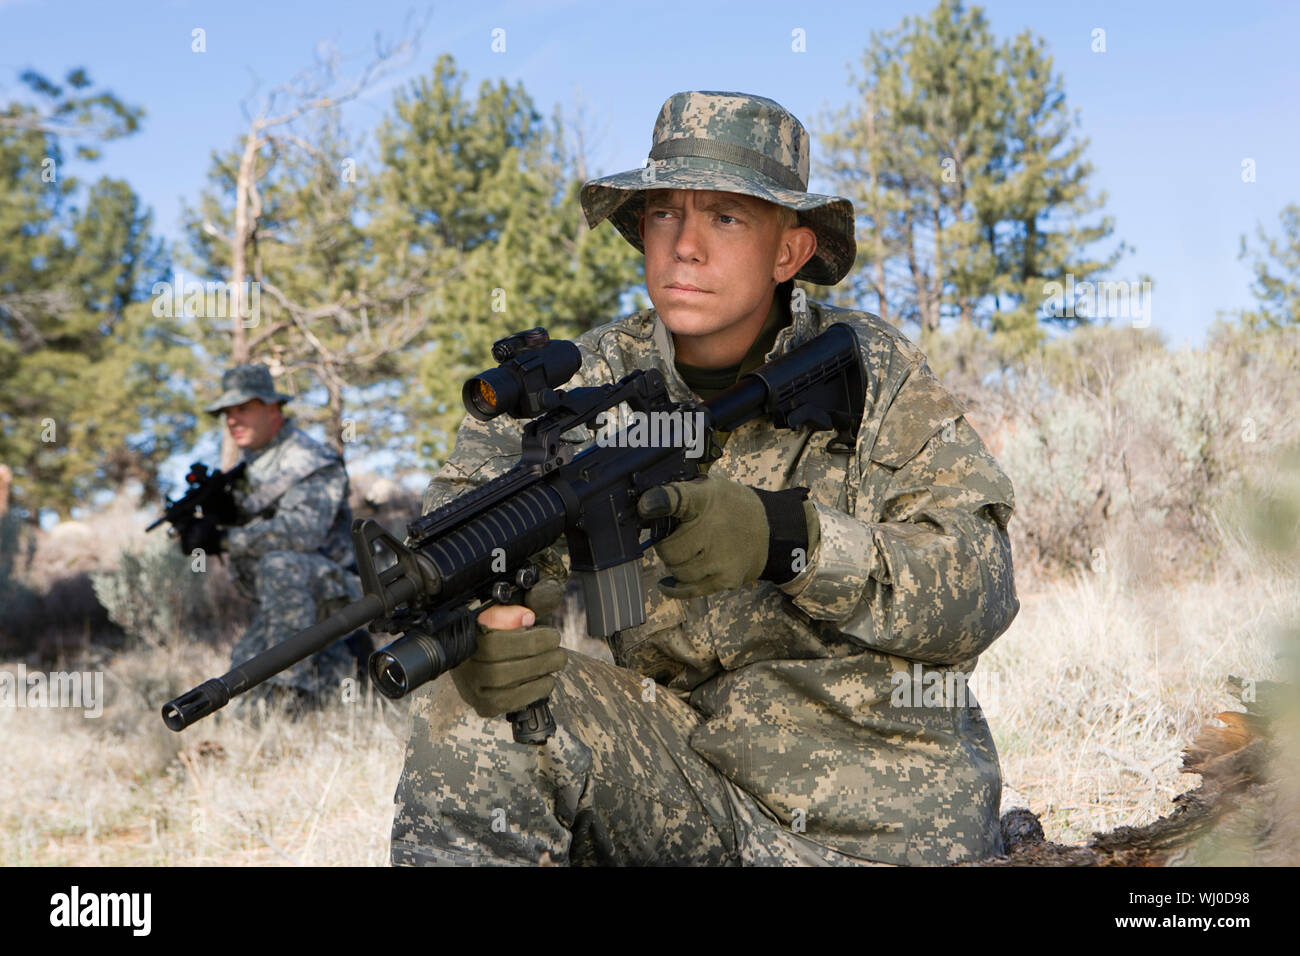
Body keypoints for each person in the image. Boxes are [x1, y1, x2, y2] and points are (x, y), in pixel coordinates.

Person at [390, 91, 1020, 865]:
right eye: (664, 214)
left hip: (883, 833)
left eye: (725, 217)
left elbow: (981, 590)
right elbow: (451, 548)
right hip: (694, 803)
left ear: (789, 252)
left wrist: (791, 541)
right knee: (481, 709)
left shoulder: (874, 369)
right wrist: (487, 640)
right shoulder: (573, 387)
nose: (685, 246)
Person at [184, 364, 365, 710]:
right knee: (243, 703)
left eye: (243, 409)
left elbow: (300, 535)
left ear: (272, 408)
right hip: (289, 607)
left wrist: (223, 539)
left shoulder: (310, 459)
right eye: (226, 413)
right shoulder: (250, 468)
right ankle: (344, 669)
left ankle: (293, 695)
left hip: (340, 595)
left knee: (282, 565)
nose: (232, 420)